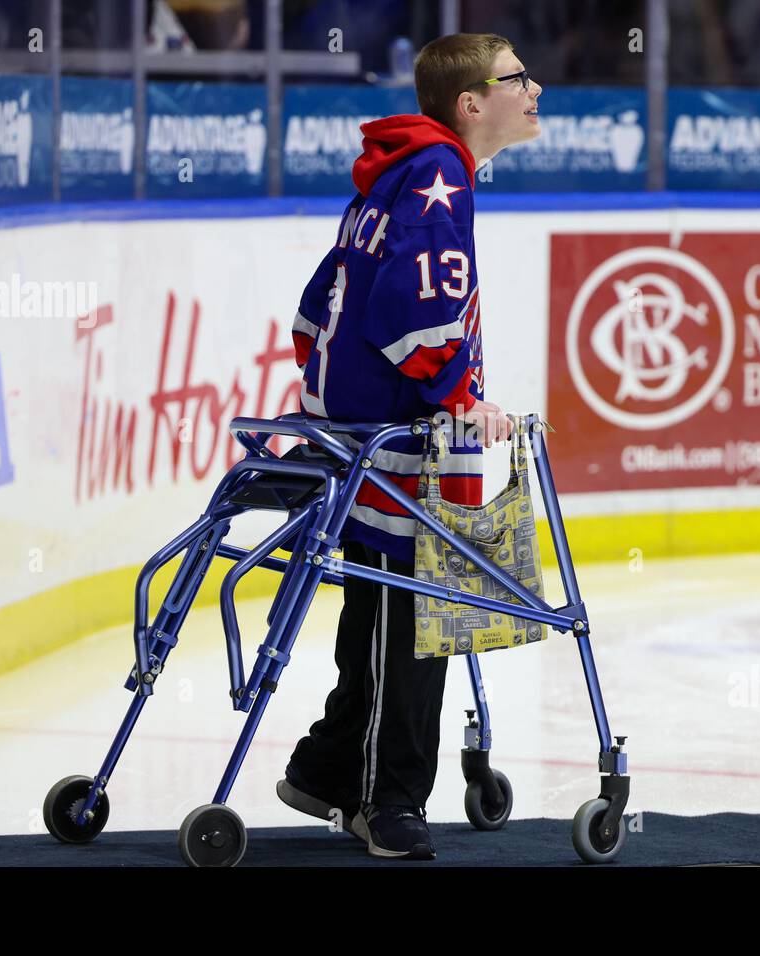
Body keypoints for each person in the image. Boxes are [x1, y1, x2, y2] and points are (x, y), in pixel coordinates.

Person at [278, 33, 542, 859]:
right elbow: (409, 305)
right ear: (472, 103)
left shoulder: (405, 168)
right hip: (401, 443)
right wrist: (457, 396)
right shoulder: (438, 174)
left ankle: (327, 768)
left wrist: (340, 400)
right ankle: (387, 800)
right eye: (516, 79)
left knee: (382, 608)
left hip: (365, 434)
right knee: (418, 617)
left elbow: (316, 304)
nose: (535, 88)